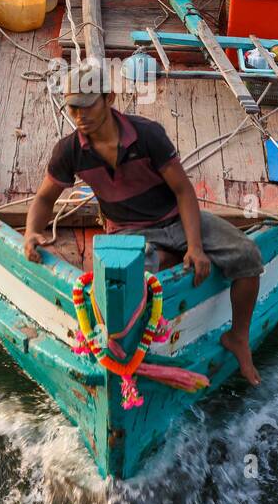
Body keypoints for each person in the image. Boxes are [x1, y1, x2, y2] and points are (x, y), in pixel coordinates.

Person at [23, 71, 264, 385]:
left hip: (174, 217)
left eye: (88, 106)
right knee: (130, 284)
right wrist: (31, 232)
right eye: (73, 108)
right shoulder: (69, 151)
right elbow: (44, 198)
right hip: (126, 230)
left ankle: (238, 338)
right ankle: (132, 358)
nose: (80, 116)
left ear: (109, 99)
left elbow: (183, 191)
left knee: (247, 256)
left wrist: (195, 246)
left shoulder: (147, 135)